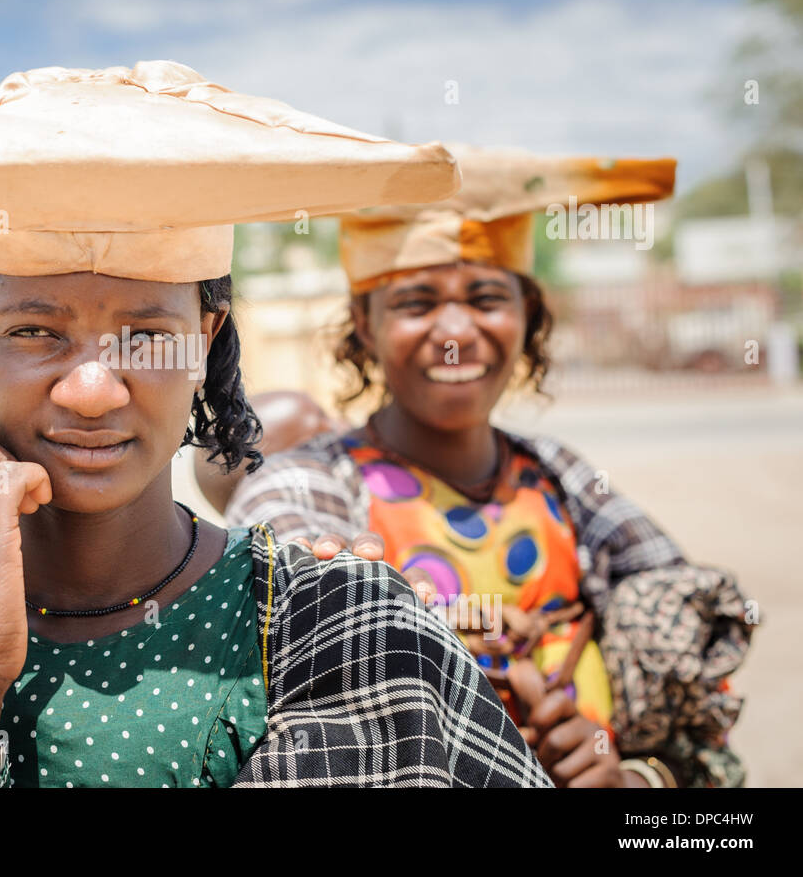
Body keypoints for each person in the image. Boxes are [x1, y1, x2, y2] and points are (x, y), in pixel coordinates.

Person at [0, 62, 552, 788]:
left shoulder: (336, 623)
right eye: (35, 331)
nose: (91, 390)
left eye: (146, 336)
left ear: (203, 342)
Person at [221, 146, 755, 788]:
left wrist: (637, 778)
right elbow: (303, 609)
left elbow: (696, 671)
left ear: (528, 314)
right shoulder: (306, 482)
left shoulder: (560, 477)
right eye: (417, 302)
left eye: (486, 297)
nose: (455, 331)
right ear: (363, 323)